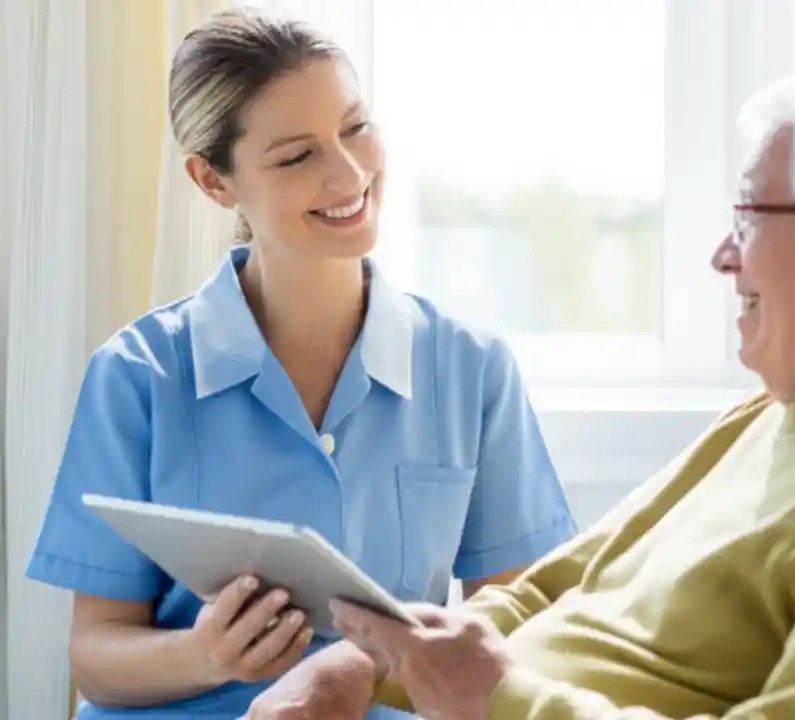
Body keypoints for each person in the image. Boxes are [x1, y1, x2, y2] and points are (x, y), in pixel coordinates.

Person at [245, 67, 795, 720]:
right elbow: (553, 588)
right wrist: (358, 667)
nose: (722, 257)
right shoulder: (784, 408)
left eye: (748, 217)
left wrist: (495, 698)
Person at [25, 9, 575, 720]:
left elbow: (522, 619)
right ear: (213, 182)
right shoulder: (137, 375)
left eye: (356, 128)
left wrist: (361, 669)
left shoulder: (471, 370)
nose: (349, 173)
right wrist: (206, 656)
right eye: (296, 156)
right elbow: (95, 656)